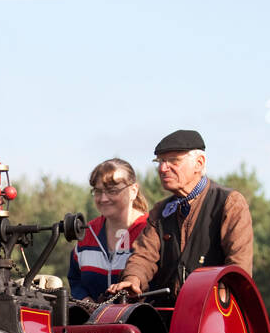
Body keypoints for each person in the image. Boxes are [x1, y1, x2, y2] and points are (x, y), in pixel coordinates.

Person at [108, 130, 253, 300]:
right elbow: (143, 256)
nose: (162, 168)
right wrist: (133, 279)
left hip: (213, 316)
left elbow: (238, 268)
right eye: (160, 161)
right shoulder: (160, 211)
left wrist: (220, 302)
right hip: (168, 317)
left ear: (199, 163)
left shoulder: (229, 203)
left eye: (173, 161)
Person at [68, 158, 149, 304]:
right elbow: (75, 279)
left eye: (112, 191)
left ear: (133, 191)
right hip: (93, 323)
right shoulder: (88, 232)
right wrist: (86, 302)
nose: (103, 198)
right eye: (98, 191)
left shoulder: (150, 231)